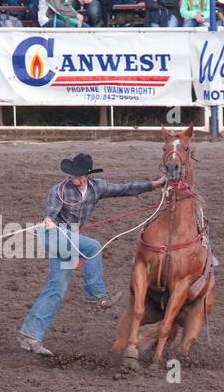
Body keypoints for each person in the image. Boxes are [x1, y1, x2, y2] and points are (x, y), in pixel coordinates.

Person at [17, 152, 168, 356]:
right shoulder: (60, 190)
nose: (75, 178)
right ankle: (96, 296)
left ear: (88, 175)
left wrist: (155, 184)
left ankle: (30, 335)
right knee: (93, 247)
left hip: (69, 239)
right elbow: (51, 213)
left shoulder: (98, 187)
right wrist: (49, 220)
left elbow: (125, 189)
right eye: (73, 175)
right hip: (53, 234)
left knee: (56, 289)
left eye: (79, 175)